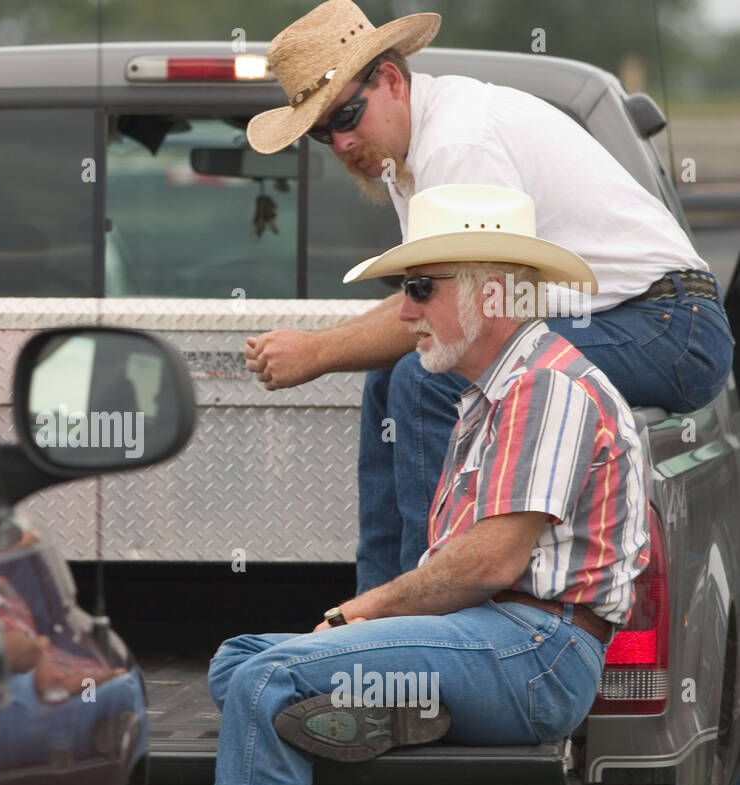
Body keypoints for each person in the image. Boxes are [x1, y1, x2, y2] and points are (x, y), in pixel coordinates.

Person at [205, 184, 650, 785]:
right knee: (238, 660)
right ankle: (390, 711)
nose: (405, 311)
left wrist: (358, 613)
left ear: (493, 292)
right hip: (498, 638)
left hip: (537, 653)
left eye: (419, 288)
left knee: (267, 683)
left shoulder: (545, 387)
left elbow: (487, 565)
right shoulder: (496, 392)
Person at [241, 0, 732, 593]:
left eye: (346, 114)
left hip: (669, 329)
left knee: (422, 378)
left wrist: (317, 353)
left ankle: (428, 609)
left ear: (392, 79)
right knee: (391, 375)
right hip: (633, 318)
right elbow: (432, 299)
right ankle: (378, 605)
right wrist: (329, 347)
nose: (342, 142)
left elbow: (463, 314)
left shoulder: (457, 144)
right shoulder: (415, 149)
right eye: (323, 133)